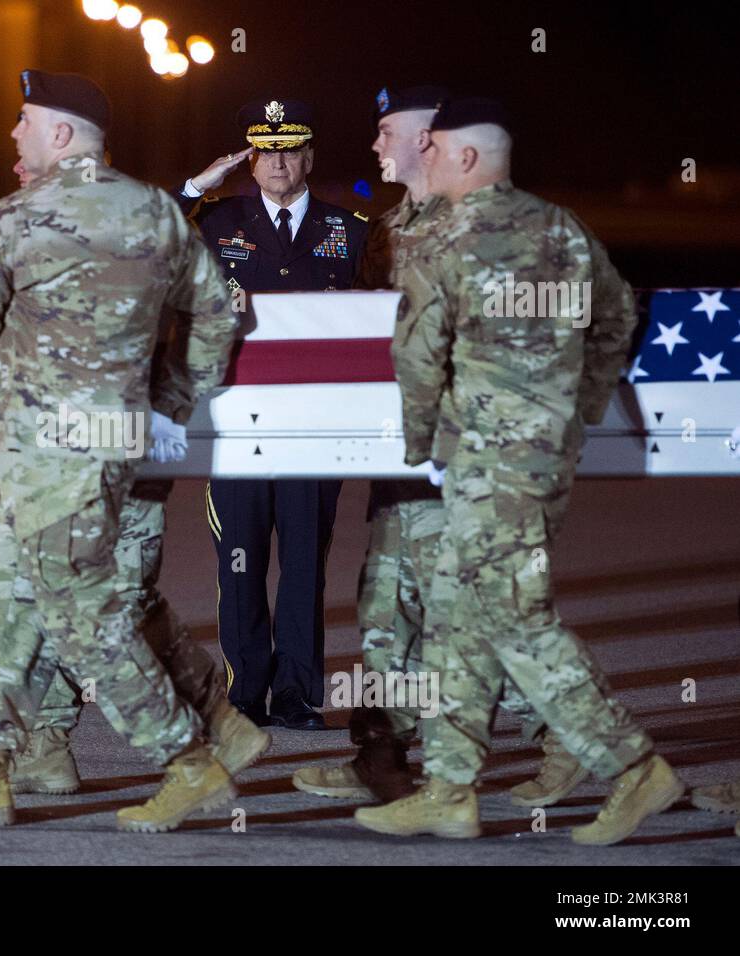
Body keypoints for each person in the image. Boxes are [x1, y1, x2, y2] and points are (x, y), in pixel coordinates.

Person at [0, 70, 240, 832]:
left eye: (23, 122)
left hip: (47, 450)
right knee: (7, 601)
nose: (12, 135)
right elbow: (218, 311)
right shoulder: (155, 211)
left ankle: (190, 763)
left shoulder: (17, 217)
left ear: (60, 133)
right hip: (110, 441)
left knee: (84, 614)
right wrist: (175, 402)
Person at [353, 98, 685, 845]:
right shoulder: (562, 228)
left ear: (467, 158)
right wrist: (584, 403)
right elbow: (618, 315)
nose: (426, 159)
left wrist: (417, 441)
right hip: (544, 456)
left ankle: (633, 768)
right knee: (459, 615)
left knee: (512, 615)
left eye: (434, 149)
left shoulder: (447, 235)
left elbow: (416, 351)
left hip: (482, 459)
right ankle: (449, 786)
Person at [292, 86, 580, 805]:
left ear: (428, 141)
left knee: (470, 614)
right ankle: (381, 757)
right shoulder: (387, 229)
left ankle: (562, 740)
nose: (374, 145)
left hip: (462, 462)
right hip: (399, 459)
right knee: (387, 611)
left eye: (385, 130)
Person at [174, 98, 367, 729]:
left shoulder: (355, 228)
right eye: (263, 150)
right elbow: (141, 245)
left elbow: (394, 311)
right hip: (237, 424)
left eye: (289, 150)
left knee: (305, 560)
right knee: (242, 559)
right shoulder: (213, 221)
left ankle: (295, 692)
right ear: (248, 160)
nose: (277, 161)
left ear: (308, 157)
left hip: (315, 426)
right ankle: (245, 688)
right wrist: (194, 187)